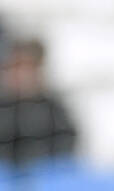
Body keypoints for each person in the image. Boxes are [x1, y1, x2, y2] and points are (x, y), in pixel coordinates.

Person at [0, 37, 77, 165]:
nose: (20, 75)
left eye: (26, 68)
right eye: (15, 67)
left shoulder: (53, 108)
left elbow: (66, 143)